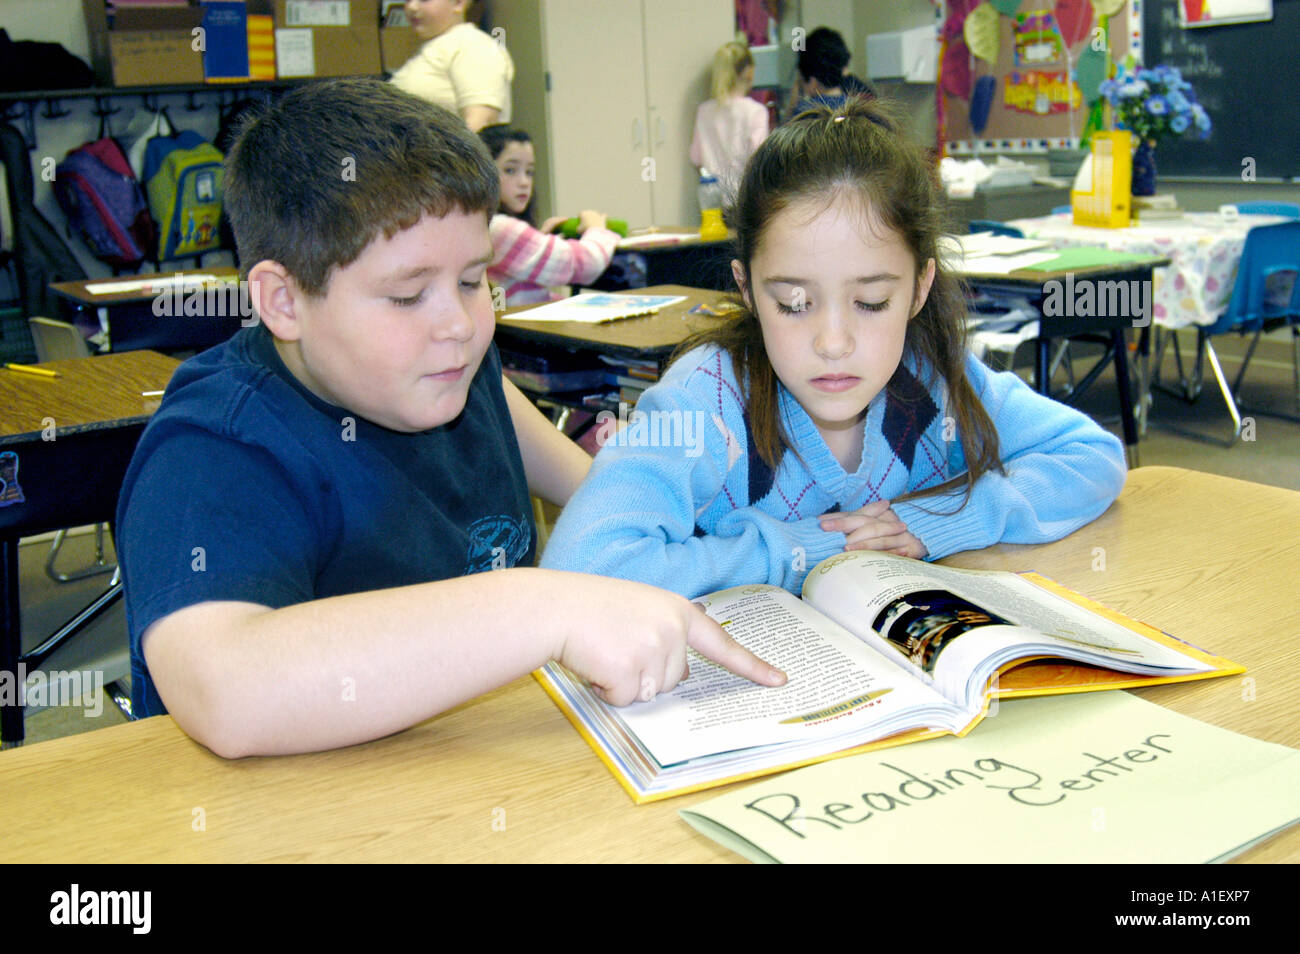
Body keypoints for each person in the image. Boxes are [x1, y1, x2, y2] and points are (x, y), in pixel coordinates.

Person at [115, 79, 784, 759]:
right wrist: (541, 607)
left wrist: (794, 535)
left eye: (472, 281)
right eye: (408, 296)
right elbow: (228, 691)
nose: (461, 326)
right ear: (283, 301)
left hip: (478, 767)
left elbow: (612, 502)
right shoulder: (215, 447)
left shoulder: (458, 374)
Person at [540, 98, 1126, 599]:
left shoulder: (932, 377)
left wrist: (942, 521)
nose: (834, 343)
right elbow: (580, 567)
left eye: (872, 303)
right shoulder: (706, 401)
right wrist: (804, 550)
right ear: (747, 288)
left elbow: (1091, 456)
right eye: (793, 303)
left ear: (919, 287)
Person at [479, 124, 620, 307]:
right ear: (483, 173)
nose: (524, 182)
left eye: (529, 172)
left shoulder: (484, 225)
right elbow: (581, 265)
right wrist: (597, 229)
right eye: (510, 170)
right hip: (521, 333)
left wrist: (539, 239)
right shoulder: (499, 227)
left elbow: (522, 288)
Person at [391, 0, 513, 131]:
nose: (412, 7)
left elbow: (482, 122)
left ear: (458, 3)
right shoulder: (437, 46)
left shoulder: (473, 45)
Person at [689, 41, 769, 204]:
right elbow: (759, 160)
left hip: (712, 202)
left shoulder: (705, 111)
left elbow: (696, 157)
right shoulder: (755, 112)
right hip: (744, 201)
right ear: (749, 72)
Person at [792, 26, 876, 116]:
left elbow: (787, 128)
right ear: (843, 69)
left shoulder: (805, 111)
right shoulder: (858, 108)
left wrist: (793, 103)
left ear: (812, 79)